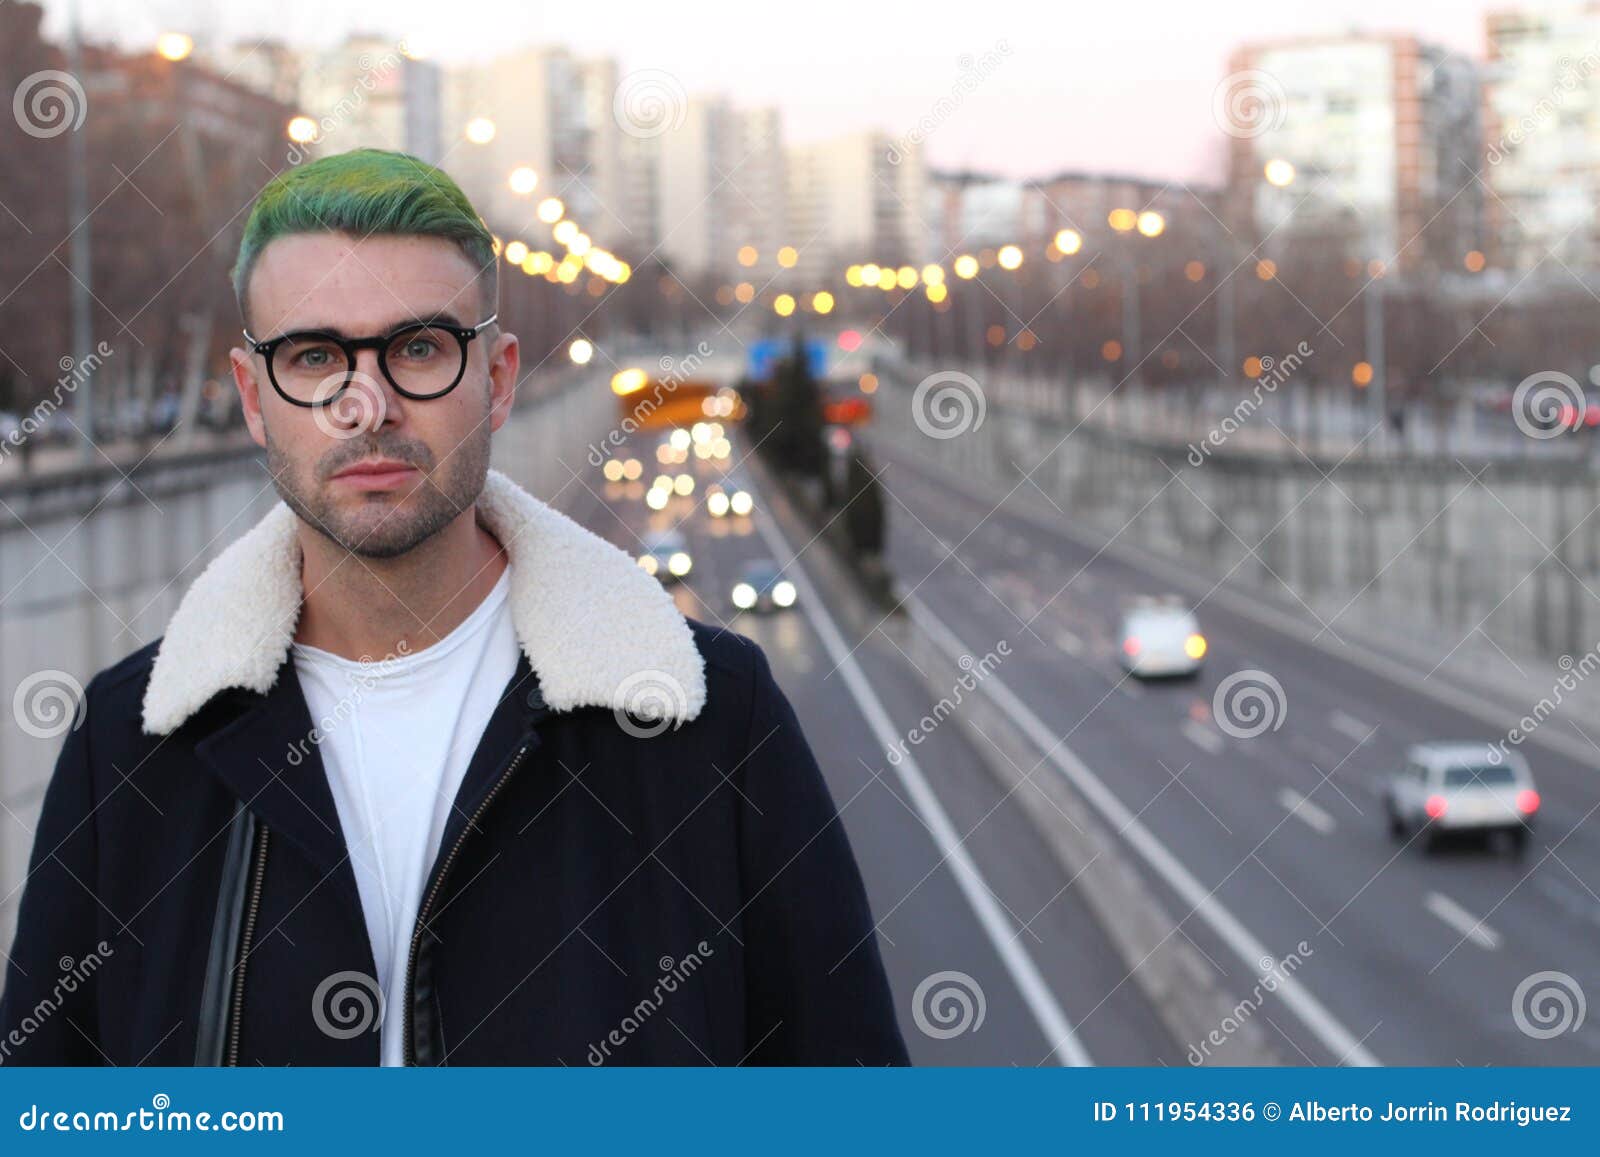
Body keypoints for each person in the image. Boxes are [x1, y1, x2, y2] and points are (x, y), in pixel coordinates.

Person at [0, 149, 908, 1066]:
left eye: (418, 349)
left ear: (499, 378)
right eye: (314, 357)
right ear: (253, 397)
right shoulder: (130, 750)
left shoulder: (710, 722)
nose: (367, 405)